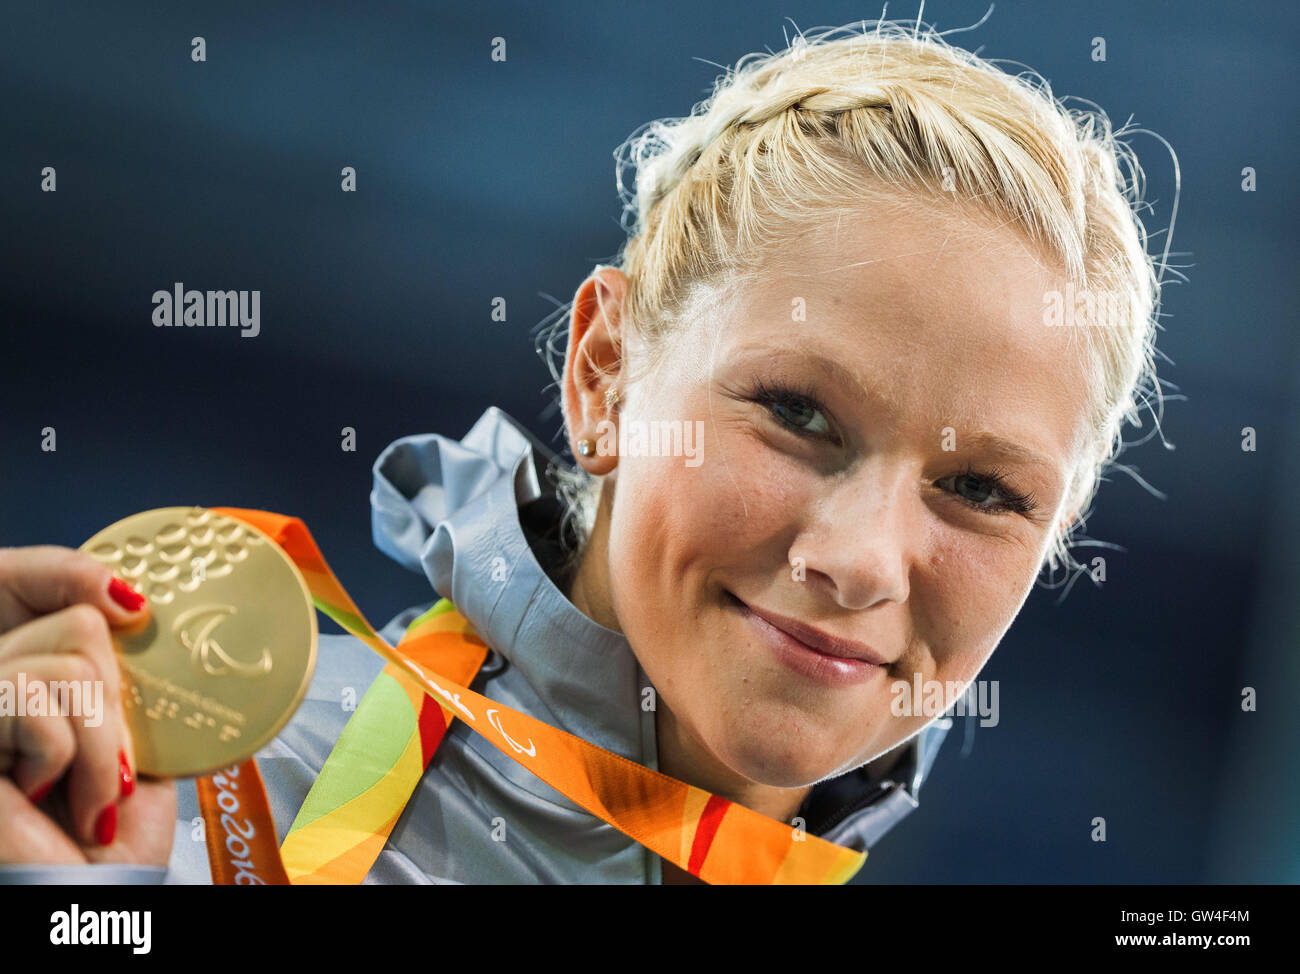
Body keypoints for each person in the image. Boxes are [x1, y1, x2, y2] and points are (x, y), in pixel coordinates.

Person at [0, 18, 1168, 884]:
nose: (860, 559)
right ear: (603, 372)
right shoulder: (177, 801)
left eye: (980, 489)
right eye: (798, 414)